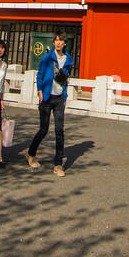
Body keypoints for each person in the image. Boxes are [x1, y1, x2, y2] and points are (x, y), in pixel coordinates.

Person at [27, 33, 74, 176]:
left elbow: (65, 79)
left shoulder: (68, 61)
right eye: (56, 40)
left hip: (59, 98)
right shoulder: (47, 58)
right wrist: (40, 91)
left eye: (61, 41)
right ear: (54, 42)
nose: (58, 43)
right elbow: (40, 75)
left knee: (59, 131)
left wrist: (64, 95)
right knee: (43, 129)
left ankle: (58, 164)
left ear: (65, 43)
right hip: (46, 98)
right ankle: (31, 153)